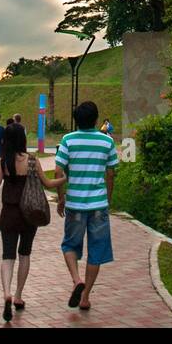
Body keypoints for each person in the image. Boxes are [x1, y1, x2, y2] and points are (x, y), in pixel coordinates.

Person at [0, 121, 64, 322]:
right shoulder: (32, 161)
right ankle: (18, 295)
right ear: (23, 139)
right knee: (25, 254)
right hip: (29, 214)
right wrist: (65, 178)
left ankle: (6, 293)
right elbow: (48, 184)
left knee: (7, 256)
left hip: (8, 213)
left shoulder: (2, 162)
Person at [54, 100, 119, 312]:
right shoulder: (106, 141)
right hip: (99, 205)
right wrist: (108, 198)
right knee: (96, 251)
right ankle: (85, 297)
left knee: (69, 246)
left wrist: (61, 197)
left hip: (74, 204)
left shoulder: (68, 140)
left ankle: (76, 280)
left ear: (76, 120)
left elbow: (58, 171)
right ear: (97, 119)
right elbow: (111, 173)